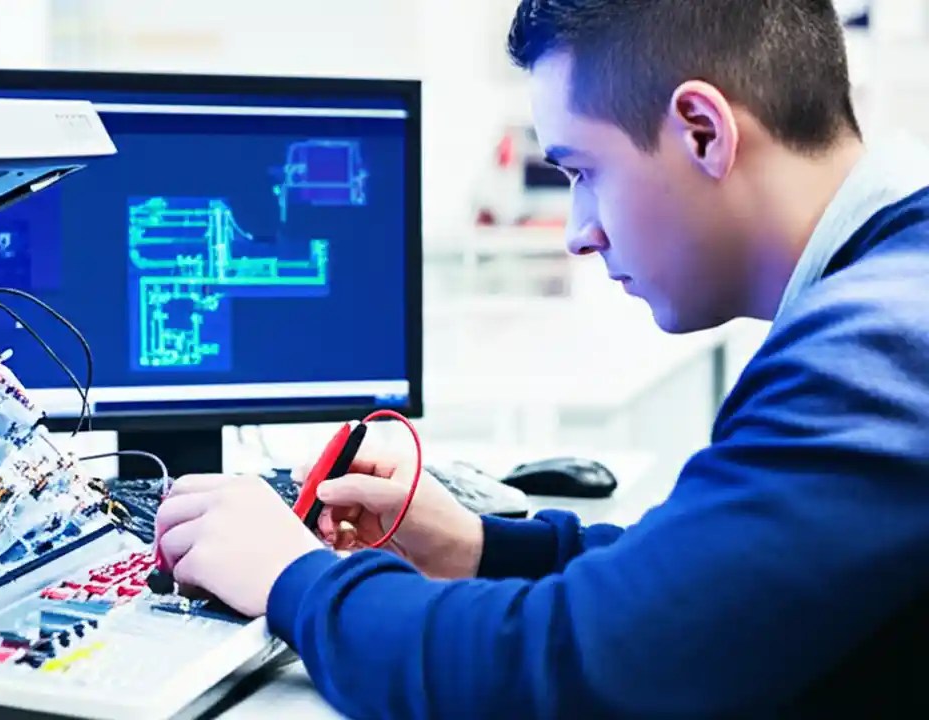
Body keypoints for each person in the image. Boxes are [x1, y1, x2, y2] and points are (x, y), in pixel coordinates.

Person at [155, 1, 929, 716]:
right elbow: (710, 584)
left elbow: (577, 670)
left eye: (583, 172)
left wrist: (295, 577)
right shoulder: (890, 299)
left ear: (703, 130)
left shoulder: (874, 353)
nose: (577, 232)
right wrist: (481, 548)